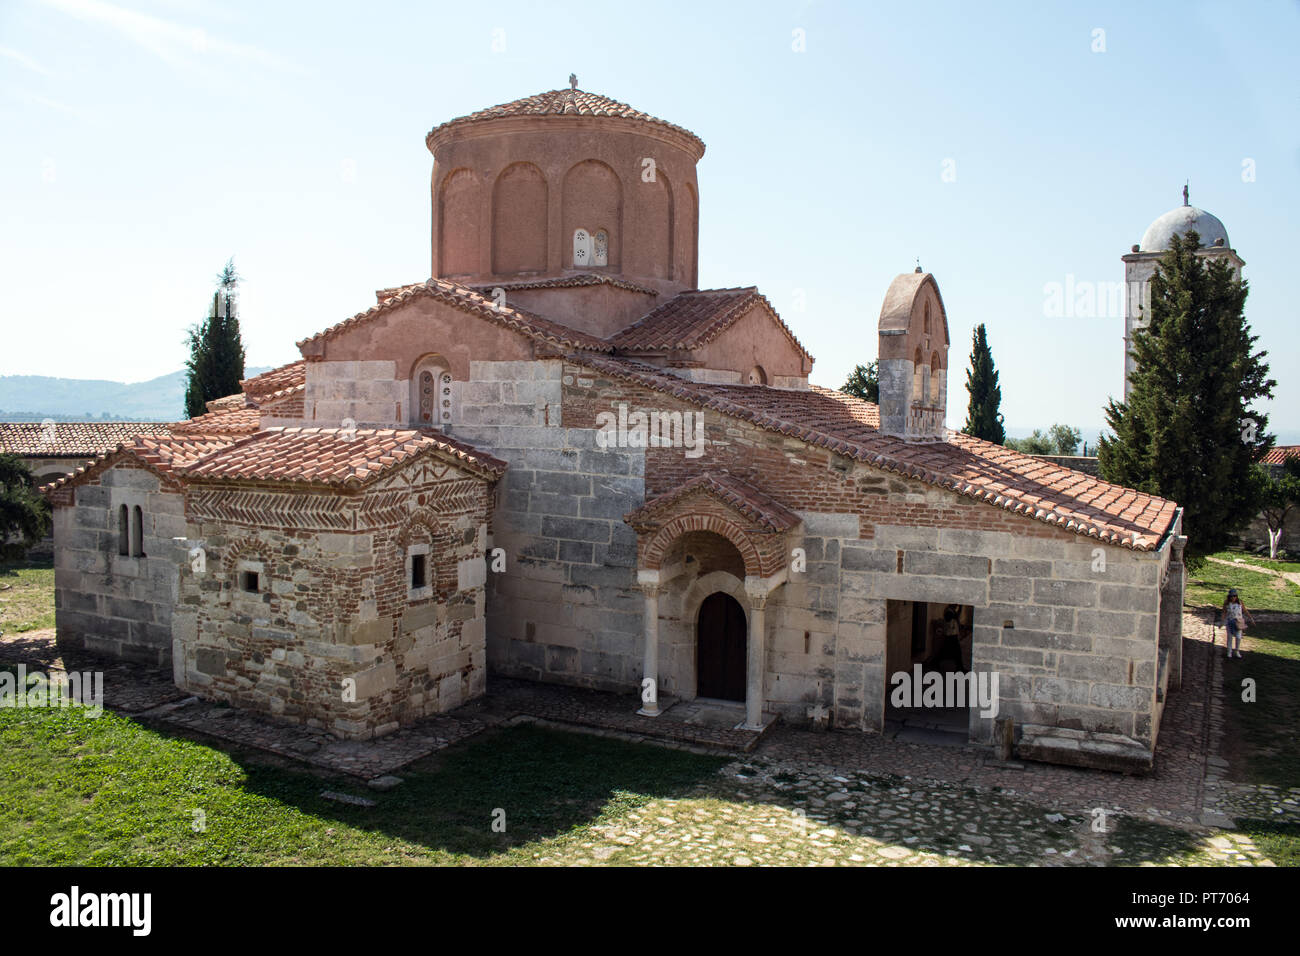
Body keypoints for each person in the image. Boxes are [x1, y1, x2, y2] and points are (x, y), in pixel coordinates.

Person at [1221, 588, 1255, 659]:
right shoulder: (1226, 603)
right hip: (1230, 622)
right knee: (1229, 638)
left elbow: (1245, 611)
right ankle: (1229, 652)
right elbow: (1224, 612)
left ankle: (1237, 651)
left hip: (1238, 622)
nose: (1233, 597)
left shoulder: (1240, 602)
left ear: (1236, 596)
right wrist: (1222, 621)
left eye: (1234, 596)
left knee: (1238, 637)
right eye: (1231, 596)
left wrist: (1250, 618)